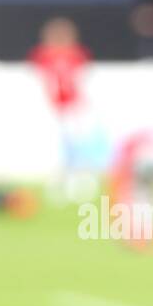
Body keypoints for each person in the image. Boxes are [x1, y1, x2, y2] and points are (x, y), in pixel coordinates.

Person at [29, 17, 92, 201]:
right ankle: (59, 181)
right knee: (58, 145)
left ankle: (78, 180)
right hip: (54, 107)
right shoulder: (42, 55)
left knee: (75, 143)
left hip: (73, 107)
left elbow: (82, 79)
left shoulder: (77, 54)